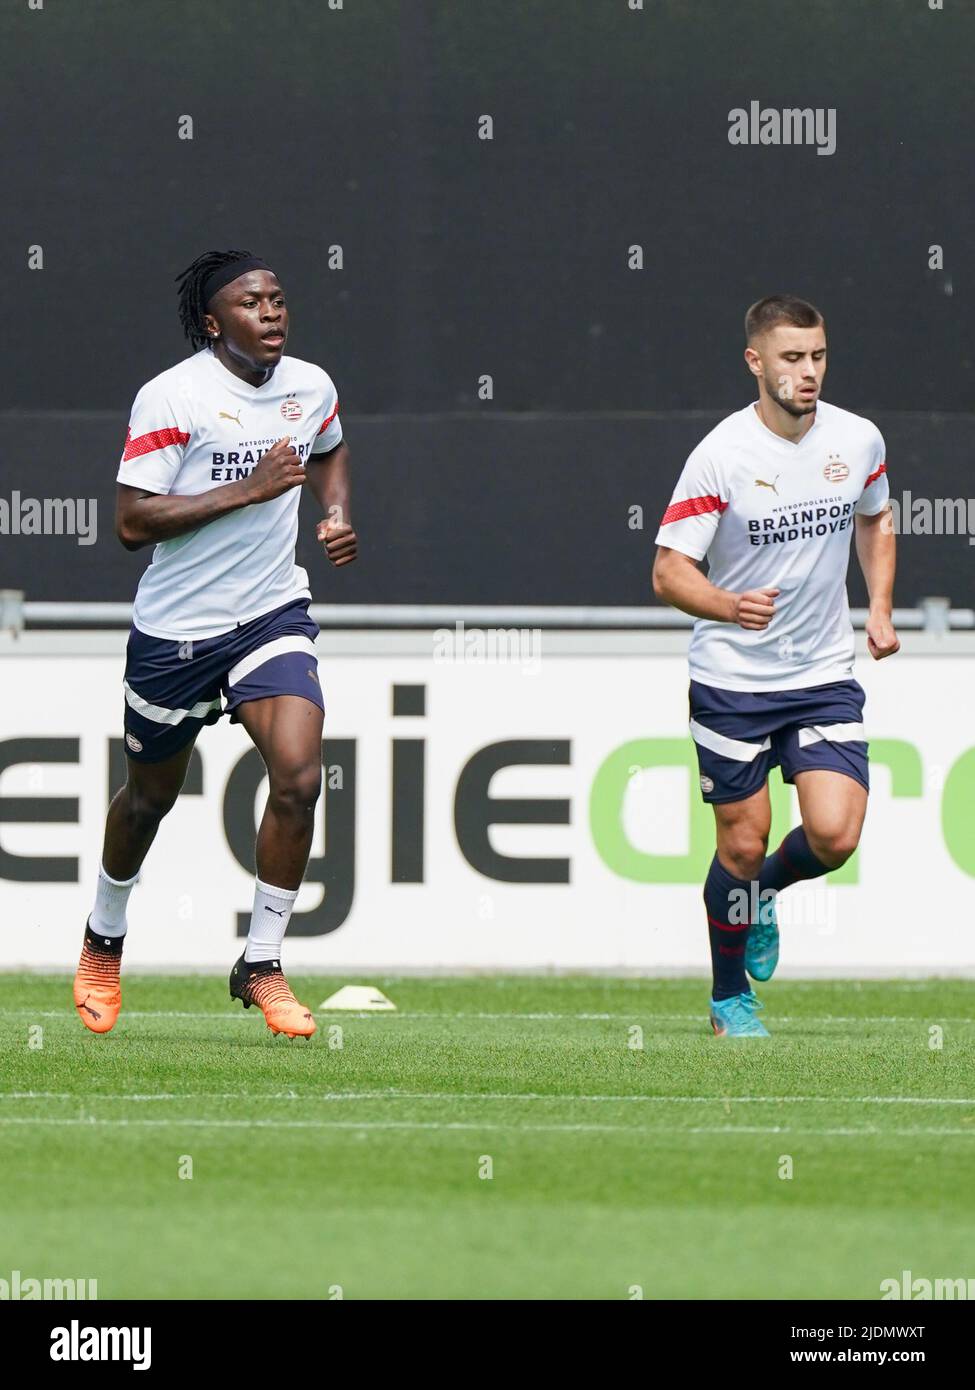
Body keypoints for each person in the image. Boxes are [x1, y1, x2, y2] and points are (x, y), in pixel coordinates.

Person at [73, 249, 357, 1039]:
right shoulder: (174, 397)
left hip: (271, 614)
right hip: (176, 632)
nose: (271, 312)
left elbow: (329, 448)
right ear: (211, 323)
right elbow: (131, 523)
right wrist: (252, 489)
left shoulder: (310, 386)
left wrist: (332, 513)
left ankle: (260, 963)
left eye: (277, 298)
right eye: (249, 302)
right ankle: (104, 936)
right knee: (150, 801)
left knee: (300, 778)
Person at [652, 295, 898, 1037]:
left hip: (821, 673)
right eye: (791, 358)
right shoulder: (720, 454)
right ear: (755, 362)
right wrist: (728, 606)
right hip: (733, 680)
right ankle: (730, 998)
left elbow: (876, 517)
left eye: (817, 356)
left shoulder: (855, 440)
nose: (808, 372)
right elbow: (668, 572)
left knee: (834, 835)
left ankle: (758, 895)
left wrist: (879, 606)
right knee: (741, 840)